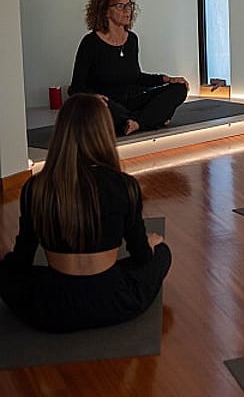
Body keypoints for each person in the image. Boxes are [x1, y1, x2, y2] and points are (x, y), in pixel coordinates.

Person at [0, 94, 171, 333]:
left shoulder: (36, 188)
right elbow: (141, 256)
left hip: (50, 309)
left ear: (61, 133)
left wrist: (5, 258)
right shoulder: (124, 185)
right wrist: (150, 245)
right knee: (162, 252)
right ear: (104, 132)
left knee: (7, 274)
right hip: (115, 302)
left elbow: (22, 260)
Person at [68, 0, 188, 136]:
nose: (127, 10)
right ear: (105, 11)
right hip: (109, 104)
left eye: (129, 5)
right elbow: (76, 87)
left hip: (133, 101)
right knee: (101, 108)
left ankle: (135, 122)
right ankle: (149, 119)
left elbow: (136, 77)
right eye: (120, 6)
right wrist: (93, 97)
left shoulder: (132, 39)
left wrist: (167, 79)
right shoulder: (91, 42)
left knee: (179, 89)